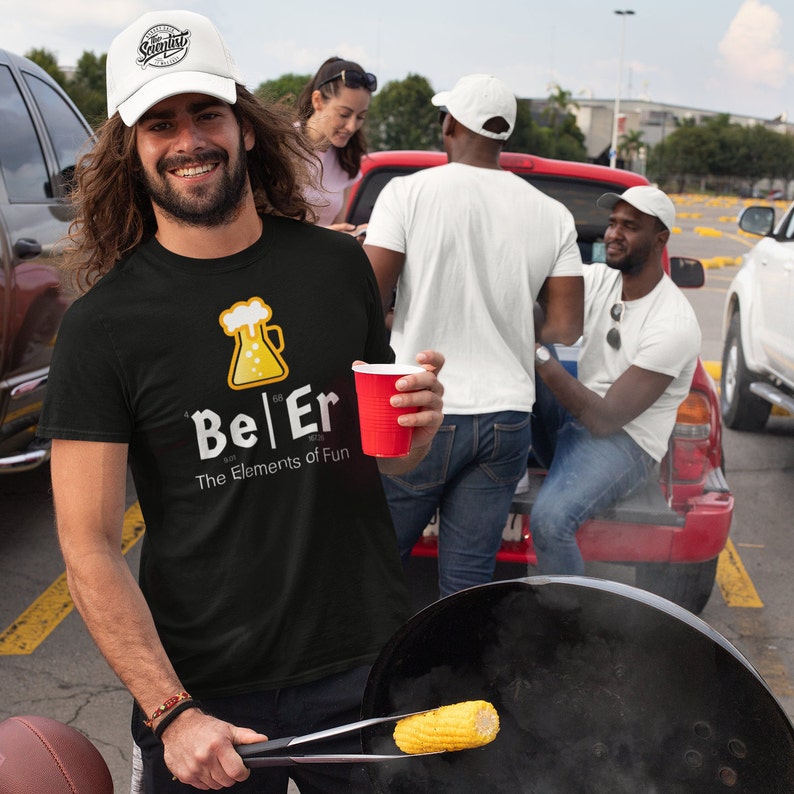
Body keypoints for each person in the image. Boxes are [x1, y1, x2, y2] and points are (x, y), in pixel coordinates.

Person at [37, 10, 444, 793]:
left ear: (245, 126)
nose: (188, 139)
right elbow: (87, 544)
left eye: (205, 113)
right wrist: (170, 712)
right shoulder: (102, 327)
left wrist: (416, 430)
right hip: (204, 697)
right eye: (160, 123)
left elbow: (385, 459)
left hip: (360, 664)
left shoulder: (337, 268)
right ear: (132, 151)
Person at [363, 74, 584, 598]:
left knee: (376, 563)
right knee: (467, 584)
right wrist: (506, 316)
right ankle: (454, 677)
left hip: (423, 411)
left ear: (452, 125)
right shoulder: (552, 215)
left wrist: (398, 320)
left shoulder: (408, 193)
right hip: (508, 418)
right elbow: (566, 327)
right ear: (502, 135)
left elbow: (366, 297)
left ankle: (365, 676)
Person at [529, 185, 701, 575]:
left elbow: (605, 419)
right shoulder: (600, 280)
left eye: (629, 226)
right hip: (574, 422)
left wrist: (536, 352)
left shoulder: (673, 323)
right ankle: (494, 462)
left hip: (625, 443)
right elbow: (536, 293)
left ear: (660, 239)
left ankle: (565, 626)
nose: (612, 234)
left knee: (550, 522)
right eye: (611, 223)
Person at [297, 57, 376, 235]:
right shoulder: (280, 146)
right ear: (317, 100)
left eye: (360, 117)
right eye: (344, 114)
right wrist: (323, 235)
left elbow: (337, 229)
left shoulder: (348, 159)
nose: (352, 126)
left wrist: (353, 234)